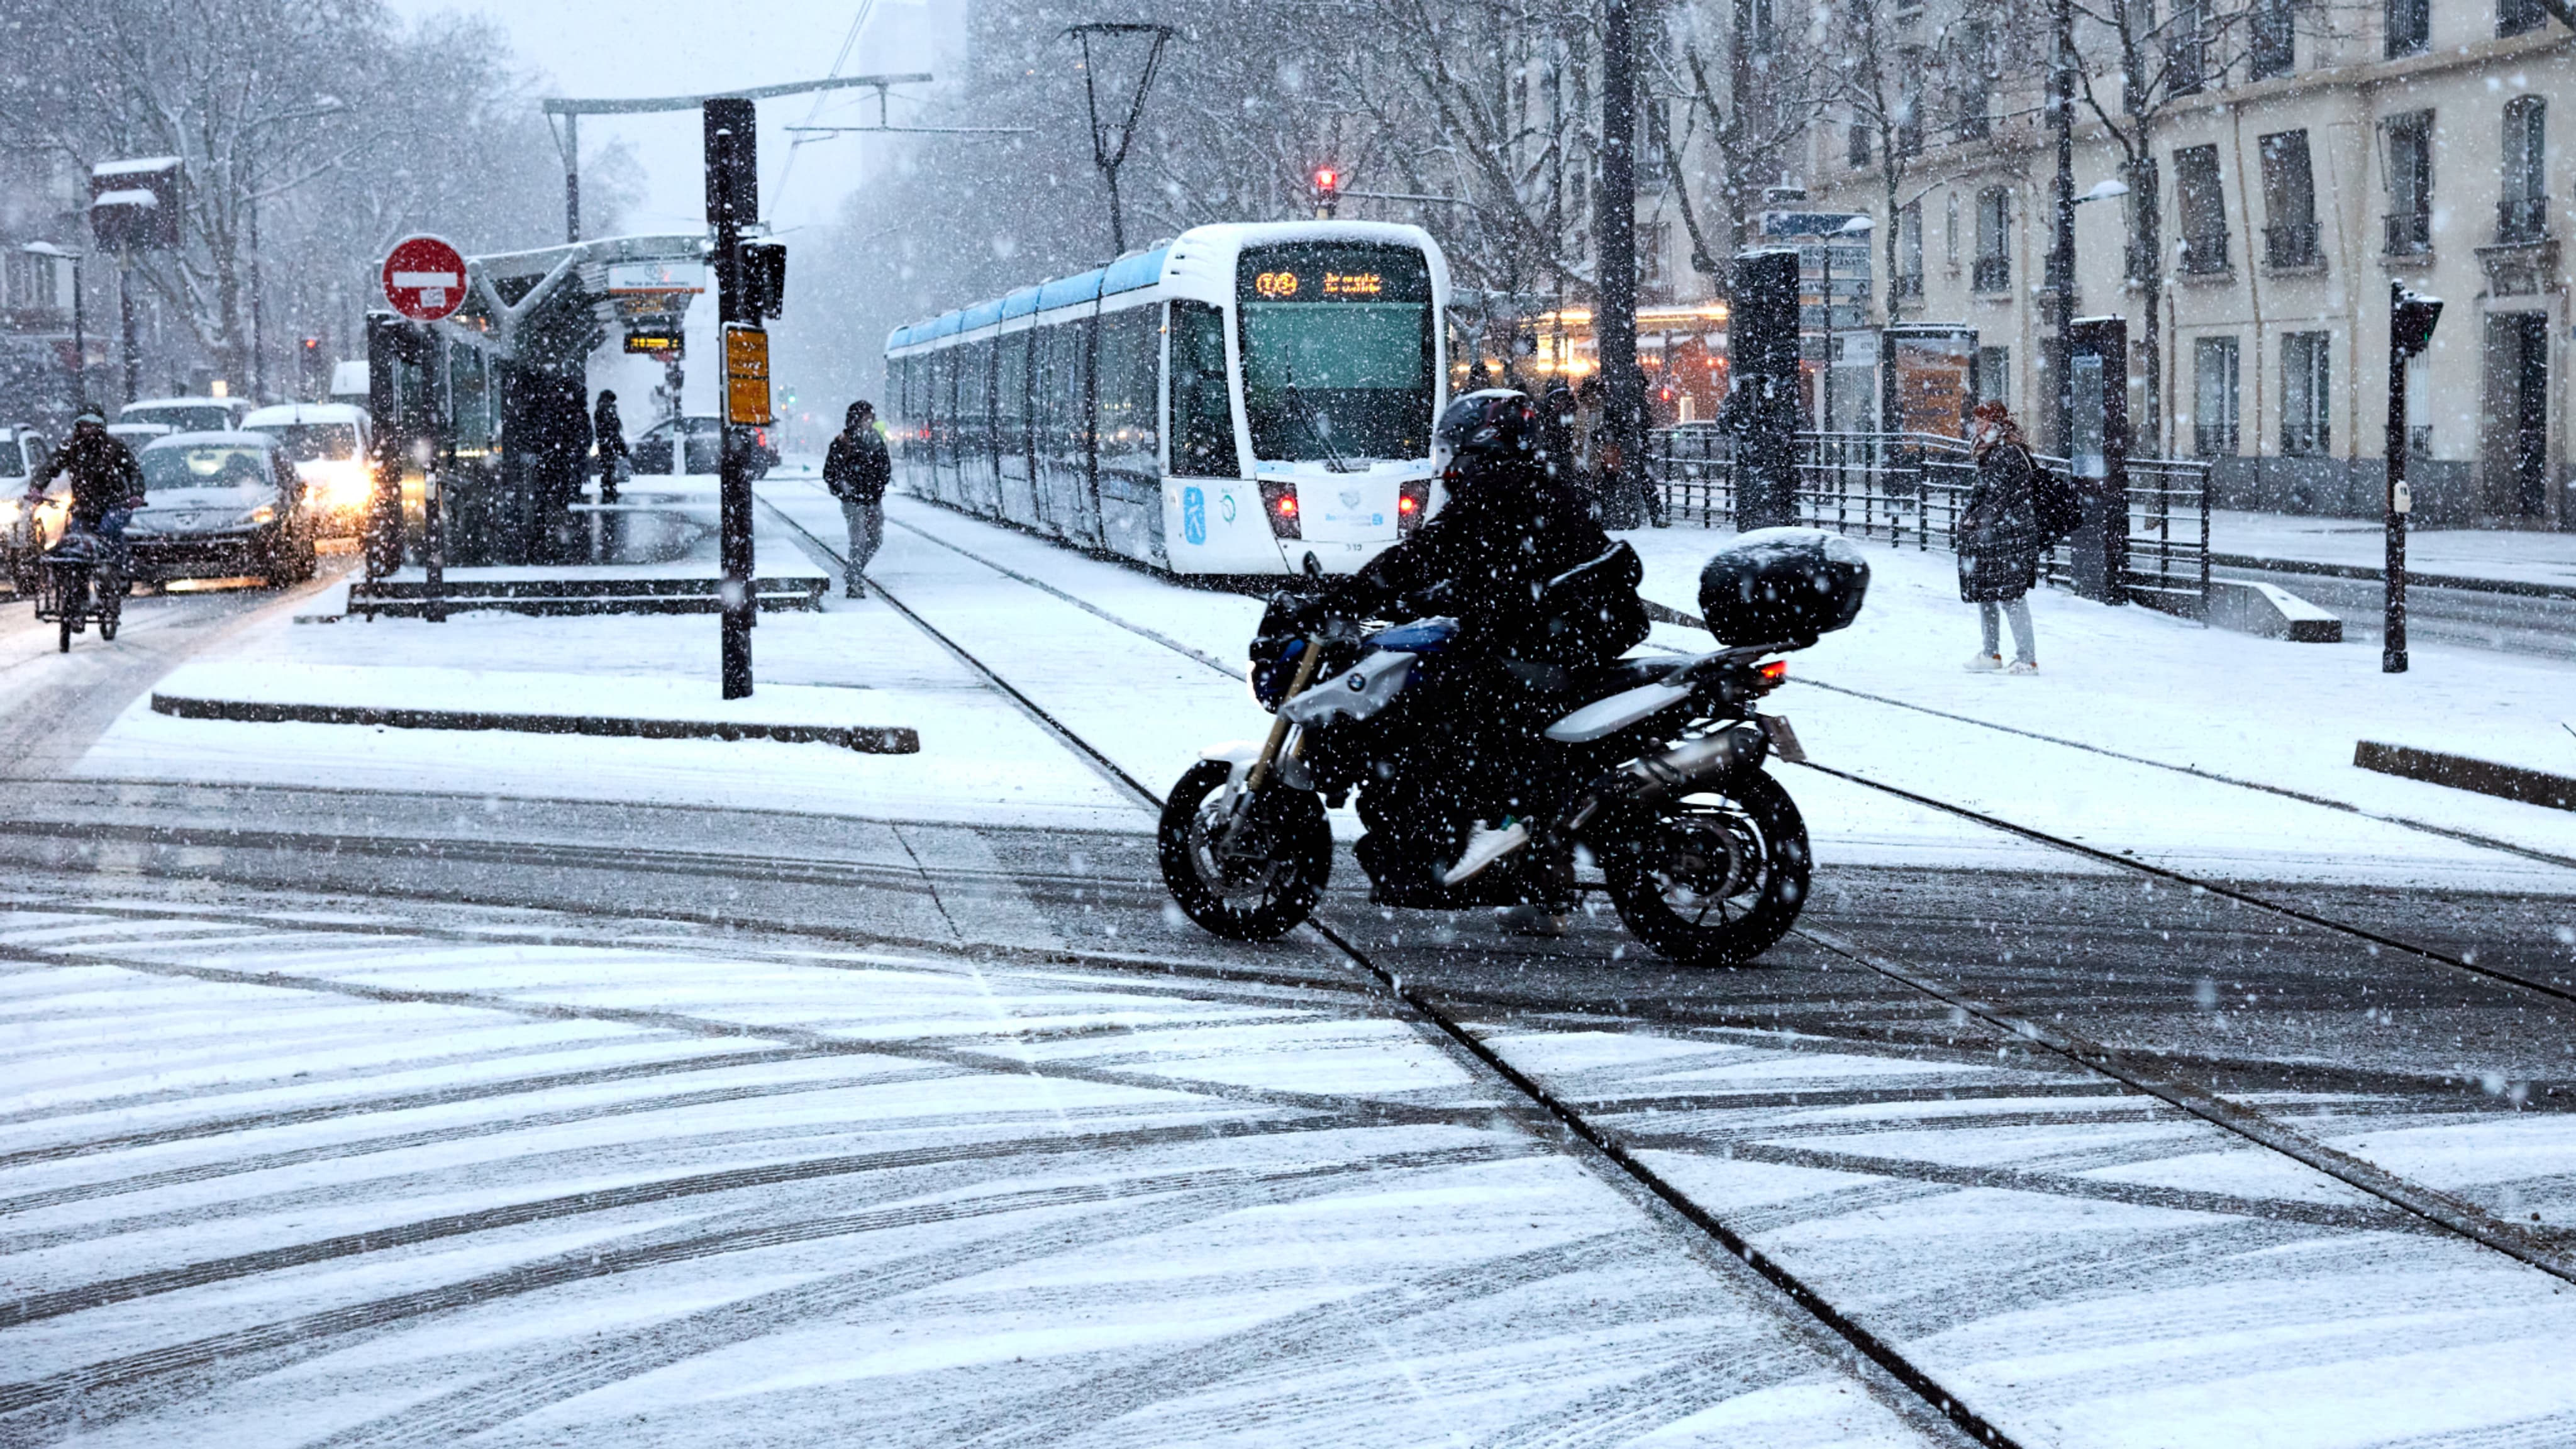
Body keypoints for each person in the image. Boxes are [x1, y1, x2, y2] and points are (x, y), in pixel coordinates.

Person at [1336, 389, 1645, 899]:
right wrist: (1417, 600)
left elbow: (1427, 553)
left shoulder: (1496, 486)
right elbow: (1487, 573)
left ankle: (1491, 829)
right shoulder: (1529, 482)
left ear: (1479, 442)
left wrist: (1343, 601)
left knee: (1445, 701)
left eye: (1451, 447)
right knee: (1465, 687)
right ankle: (1538, 871)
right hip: (1572, 630)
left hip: (1555, 638)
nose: (1448, 462)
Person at [1959, 399, 2041, 674]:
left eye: (1983, 422)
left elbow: (2000, 498)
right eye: (1977, 422)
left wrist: (1976, 519)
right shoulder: (1991, 452)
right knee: (1988, 592)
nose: (1978, 427)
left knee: (2010, 596)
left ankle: (2026, 659)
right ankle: (1990, 653)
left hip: (2009, 536)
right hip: (1997, 535)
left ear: (1996, 425)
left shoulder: (2005, 454)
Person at [31, 409, 146, 594]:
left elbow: (133, 471)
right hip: (83, 507)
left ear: (102, 427)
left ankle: (119, 568)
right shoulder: (70, 448)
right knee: (77, 542)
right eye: (85, 425)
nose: (89, 430)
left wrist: (136, 495)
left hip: (114, 504)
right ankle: (80, 583)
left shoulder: (115, 447)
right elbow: (50, 468)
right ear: (78, 426)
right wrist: (37, 488)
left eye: (94, 426)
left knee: (108, 531)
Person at [823, 400, 891, 598]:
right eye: (865, 419)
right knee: (858, 540)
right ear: (855, 420)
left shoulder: (876, 440)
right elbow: (830, 473)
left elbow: (885, 466)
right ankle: (854, 582)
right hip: (853, 501)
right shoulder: (842, 442)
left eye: (871, 419)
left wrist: (878, 486)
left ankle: (853, 571)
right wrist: (844, 491)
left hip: (873, 499)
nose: (869, 423)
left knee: (876, 539)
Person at [593, 391, 631, 505]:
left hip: (605, 443)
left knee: (607, 468)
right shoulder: (607, 411)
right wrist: (619, 443)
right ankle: (610, 491)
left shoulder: (601, 411)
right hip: (609, 443)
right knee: (609, 467)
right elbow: (614, 429)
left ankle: (609, 490)